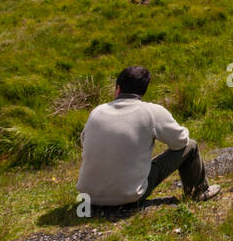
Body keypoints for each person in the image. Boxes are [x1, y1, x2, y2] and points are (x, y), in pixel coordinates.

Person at [77, 65, 220, 207]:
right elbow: (181, 141)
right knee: (191, 146)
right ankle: (198, 192)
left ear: (118, 88)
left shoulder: (97, 111)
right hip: (128, 196)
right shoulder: (151, 112)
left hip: (88, 198)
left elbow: (84, 142)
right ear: (143, 90)